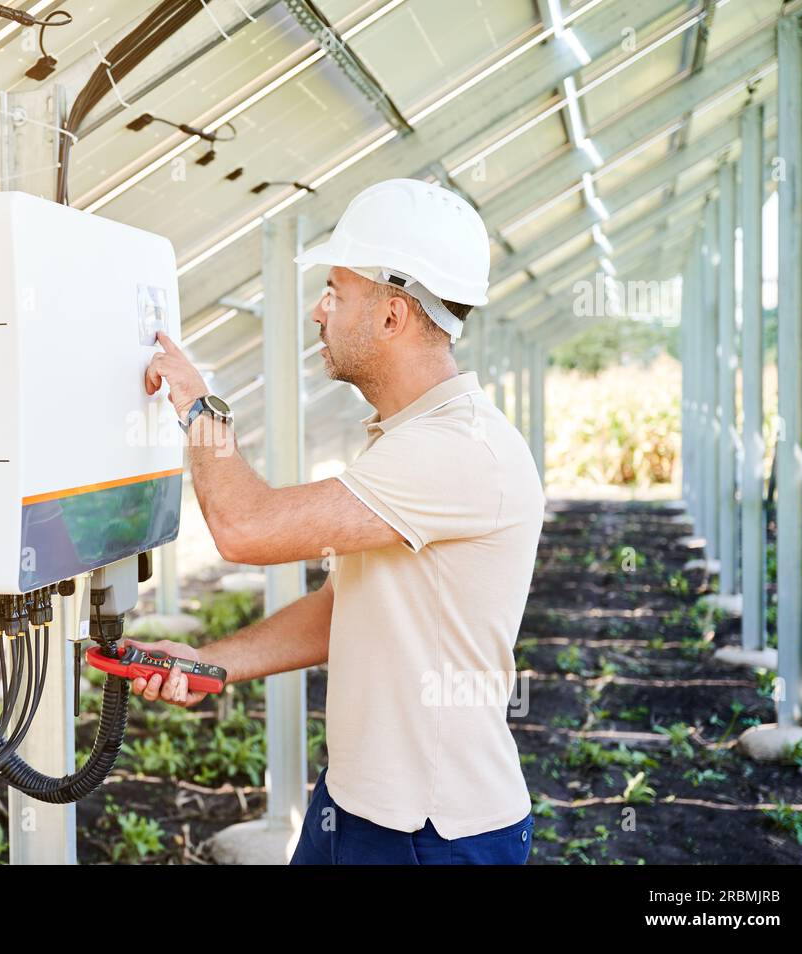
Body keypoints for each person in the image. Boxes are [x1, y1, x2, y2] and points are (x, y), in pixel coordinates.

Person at [135, 178, 545, 865]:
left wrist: (200, 408)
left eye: (336, 291)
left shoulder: (455, 451)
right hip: (357, 804)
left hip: (429, 834)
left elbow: (245, 528)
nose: (320, 312)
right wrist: (210, 662)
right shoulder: (410, 435)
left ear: (391, 316)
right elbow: (343, 610)